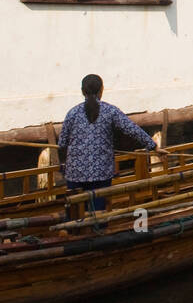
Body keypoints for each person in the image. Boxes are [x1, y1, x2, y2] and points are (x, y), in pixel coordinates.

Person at [58, 74, 157, 210]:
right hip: (101, 172)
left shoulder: (72, 113)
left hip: (75, 173)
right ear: (101, 90)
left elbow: (62, 143)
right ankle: (98, 229)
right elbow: (132, 129)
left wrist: (64, 166)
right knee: (99, 212)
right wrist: (153, 146)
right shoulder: (110, 111)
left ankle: (76, 229)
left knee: (76, 214)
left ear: (82, 91)